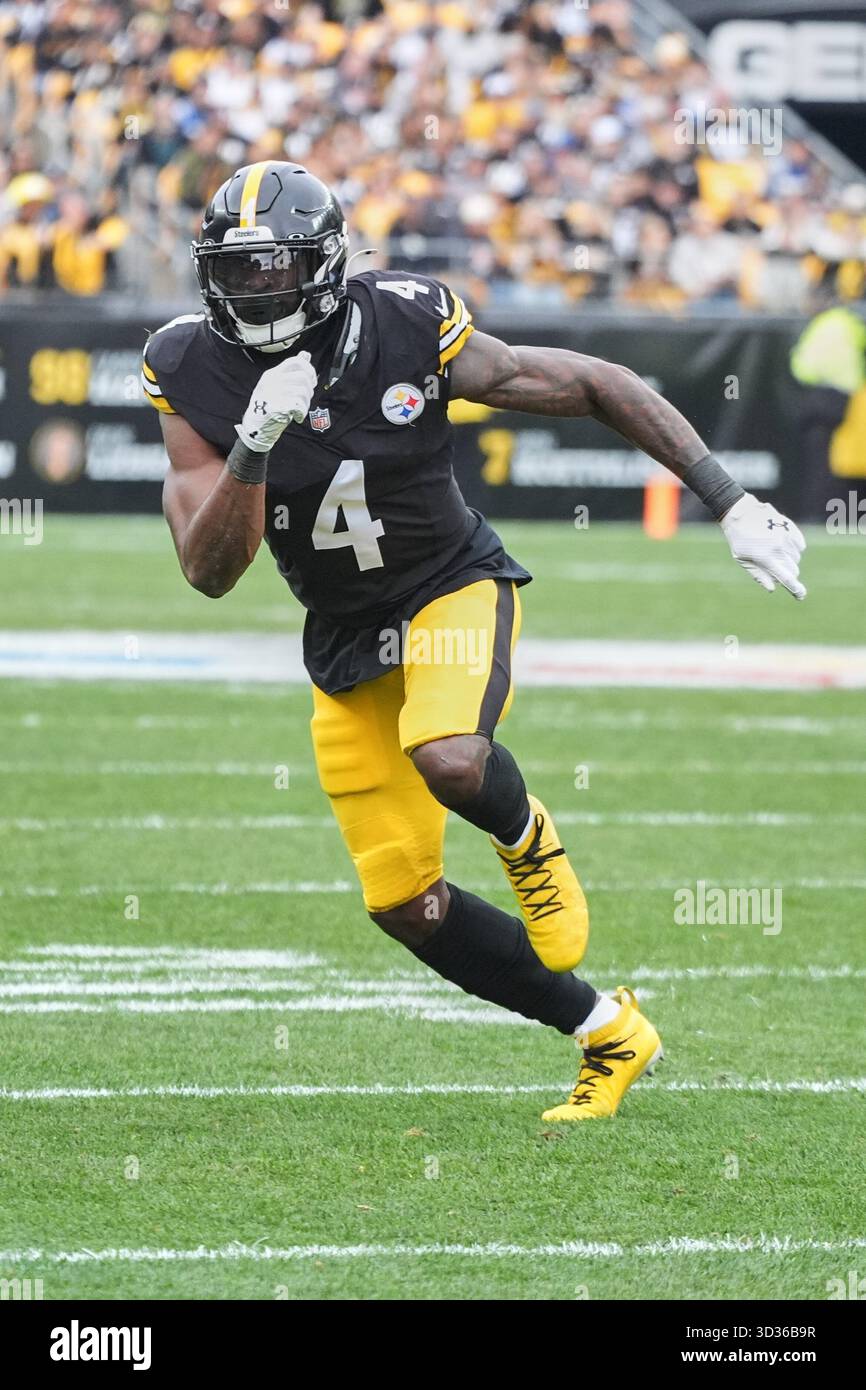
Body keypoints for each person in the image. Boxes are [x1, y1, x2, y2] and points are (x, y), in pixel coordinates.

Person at [143, 162, 807, 1123]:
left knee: (451, 756)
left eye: (274, 268)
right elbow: (209, 570)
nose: (254, 289)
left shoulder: (409, 322)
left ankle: (527, 836)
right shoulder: (185, 363)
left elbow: (592, 382)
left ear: (324, 265)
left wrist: (728, 497)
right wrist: (251, 445)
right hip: (341, 634)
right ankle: (607, 1033)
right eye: (236, 270)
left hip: (448, 584)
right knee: (404, 906)